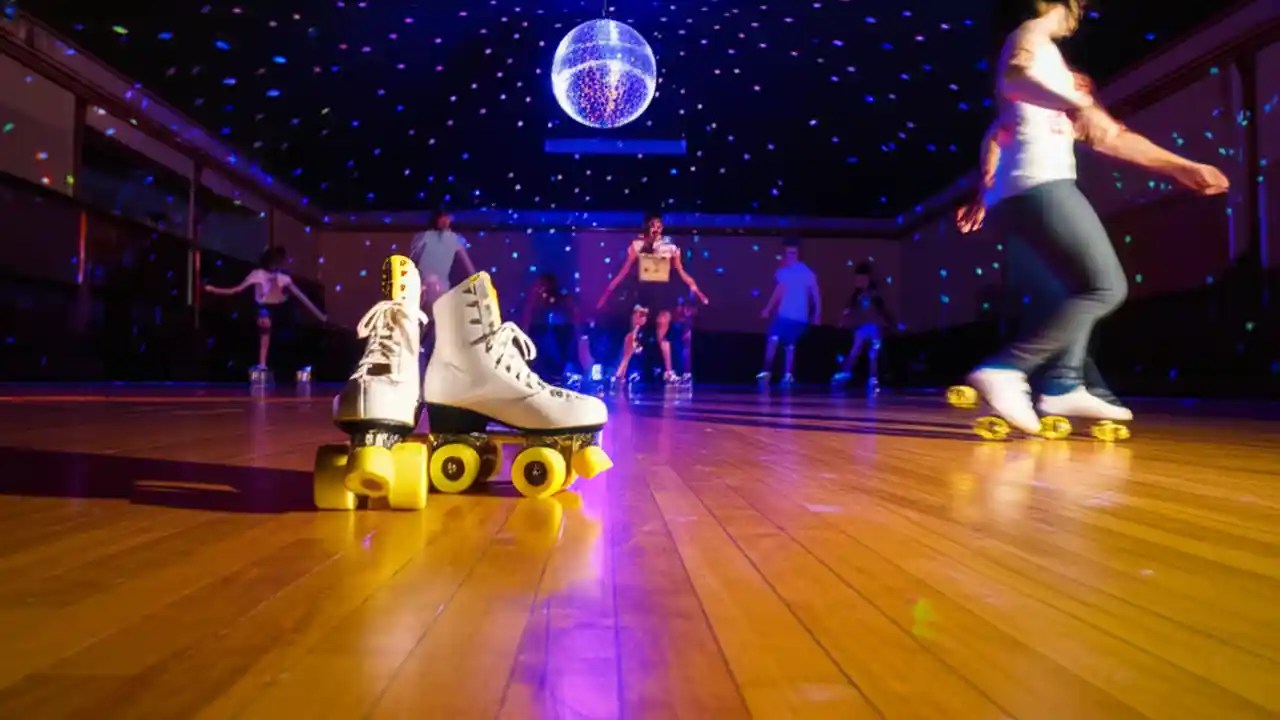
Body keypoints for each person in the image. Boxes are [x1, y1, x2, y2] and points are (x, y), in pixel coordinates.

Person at [954, 0, 1229, 433]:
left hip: (1025, 191)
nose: (1081, 10)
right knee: (1106, 287)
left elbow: (1108, 137)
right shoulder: (1032, 36)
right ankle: (1006, 370)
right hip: (1040, 185)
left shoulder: (1055, 65)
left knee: (1075, 289)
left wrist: (1182, 168)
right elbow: (1014, 79)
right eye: (1077, 3)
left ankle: (1064, 383)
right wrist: (1075, 102)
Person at [595, 212, 709, 385]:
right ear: (647, 226)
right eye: (653, 225)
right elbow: (623, 272)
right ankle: (621, 371)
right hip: (643, 293)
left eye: (659, 225)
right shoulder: (638, 245)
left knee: (661, 334)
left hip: (663, 295)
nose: (656, 229)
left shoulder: (670, 248)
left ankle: (669, 372)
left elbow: (681, 272)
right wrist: (606, 294)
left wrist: (698, 292)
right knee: (634, 331)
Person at [203, 246, 327, 373]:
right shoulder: (257, 274)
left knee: (283, 332)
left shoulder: (283, 278)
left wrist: (319, 314)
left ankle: (285, 363)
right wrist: (214, 289)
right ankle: (262, 365)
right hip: (264, 308)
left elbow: (301, 297)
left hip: (280, 308)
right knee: (265, 332)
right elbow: (235, 290)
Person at [757, 238, 821, 386]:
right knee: (773, 339)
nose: (791, 256)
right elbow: (779, 291)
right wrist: (768, 309)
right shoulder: (782, 272)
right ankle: (767, 371)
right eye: (788, 253)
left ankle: (788, 374)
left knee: (790, 345)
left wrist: (817, 313)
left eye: (793, 253)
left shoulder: (807, 273)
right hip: (783, 314)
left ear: (798, 254)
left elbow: (815, 293)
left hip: (799, 317)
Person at [831, 262, 893, 391]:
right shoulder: (856, 296)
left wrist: (886, 322)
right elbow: (849, 310)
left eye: (861, 278)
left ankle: (873, 378)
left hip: (874, 327)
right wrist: (843, 320)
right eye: (857, 278)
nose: (858, 281)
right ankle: (846, 373)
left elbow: (882, 310)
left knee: (873, 353)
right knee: (855, 351)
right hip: (862, 327)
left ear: (867, 278)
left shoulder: (874, 295)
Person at [409, 209, 478, 305]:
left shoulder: (454, 238)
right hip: (422, 286)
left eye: (447, 217)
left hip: (441, 288)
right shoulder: (424, 236)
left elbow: (468, 265)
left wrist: (476, 281)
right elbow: (412, 261)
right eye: (443, 217)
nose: (446, 220)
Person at [522, 273, 578, 382]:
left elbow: (570, 327)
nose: (542, 291)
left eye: (545, 287)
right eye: (540, 287)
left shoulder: (561, 304)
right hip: (539, 346)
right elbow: (527, 323)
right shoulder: (533, 306)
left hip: (556, 348)